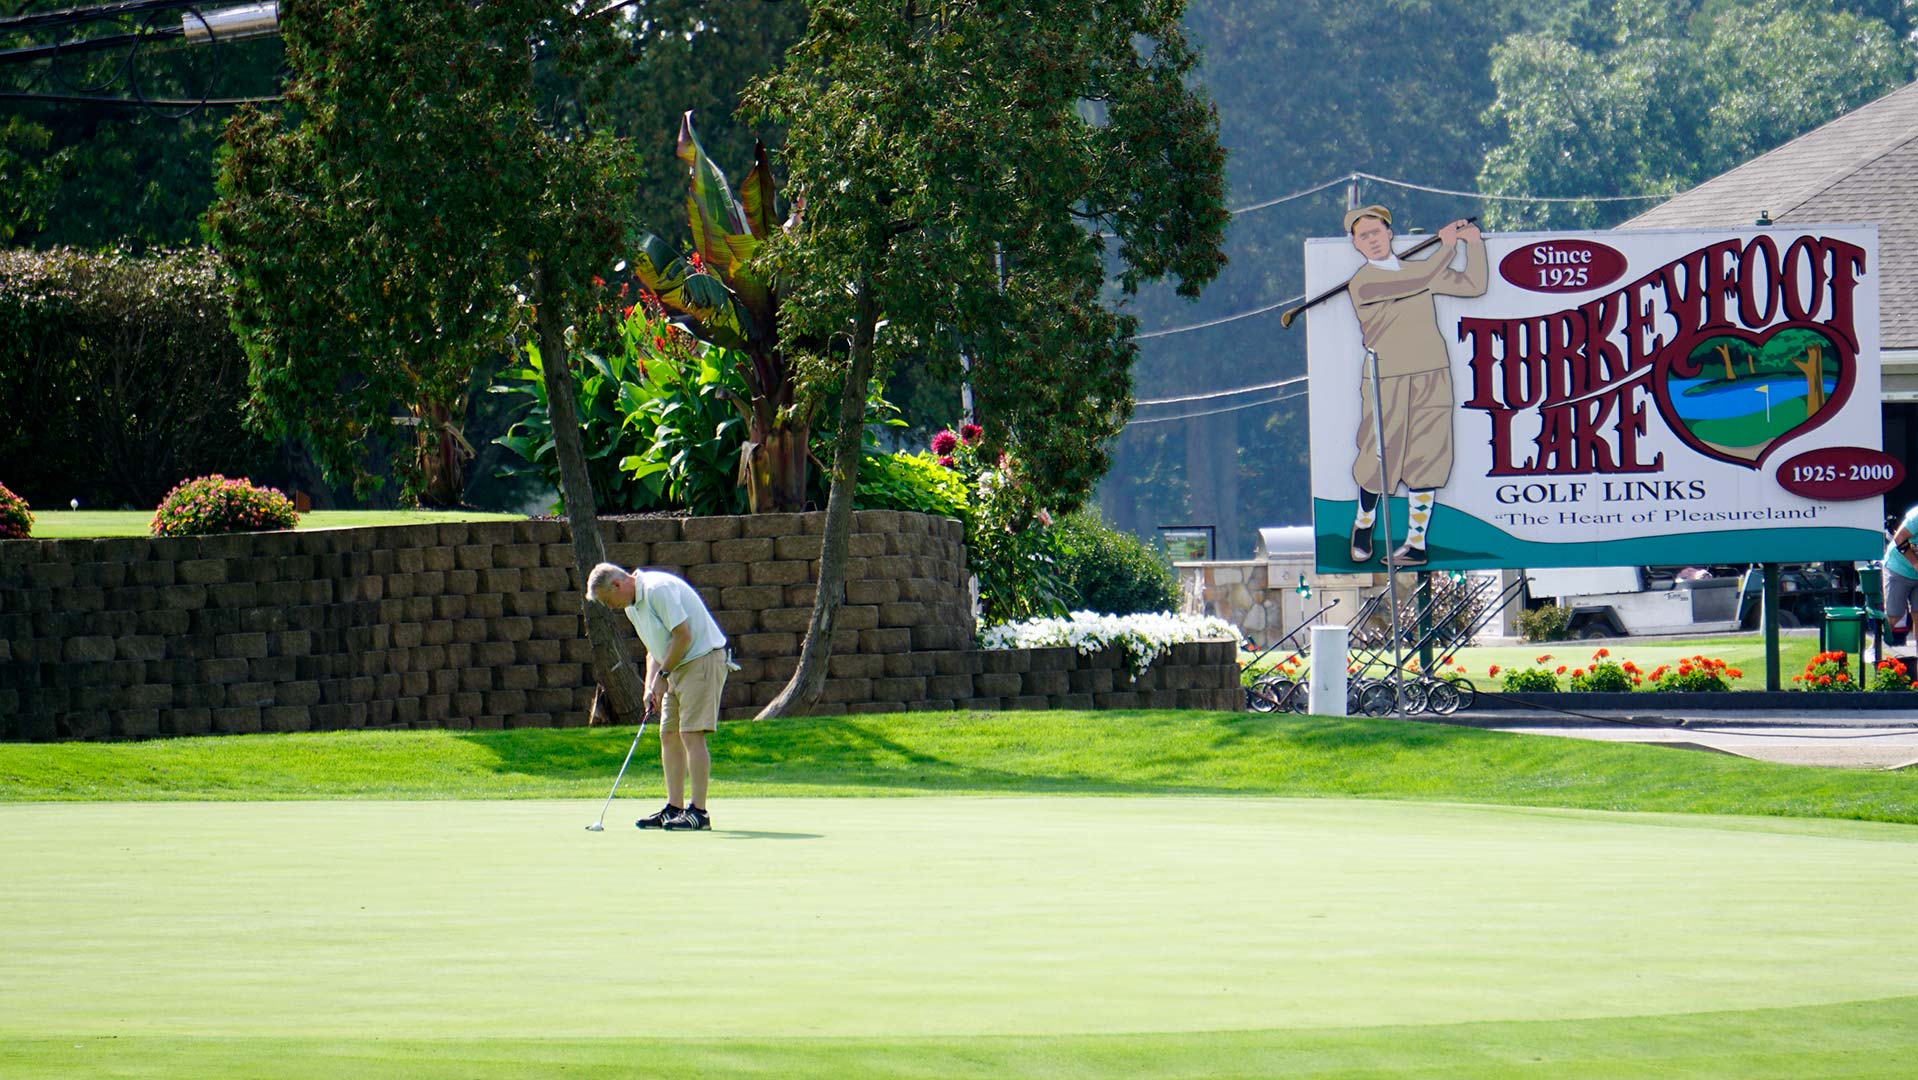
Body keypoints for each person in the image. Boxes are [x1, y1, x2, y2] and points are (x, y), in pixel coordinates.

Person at [1340, 205, 1487, 567]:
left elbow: (1474, 285)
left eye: (1377, 232)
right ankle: (1364, 523)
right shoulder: (1363, 282)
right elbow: (1417, 282)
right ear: (1356, 244)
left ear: (1390, 234)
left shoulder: (1420, 270)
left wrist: (1474, 245)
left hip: (1431, 372)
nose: (1372, 240)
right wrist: (1447, 249)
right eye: (1364, 236)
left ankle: (1416, 543)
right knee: (1377, 456)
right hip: (1385, 376)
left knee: (1428, 456)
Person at [586, 563, 733, 831]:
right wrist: (650, 686)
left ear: (617, 585)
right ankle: (674, 808)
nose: (610, 608)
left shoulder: (657, 589)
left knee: (691, 733)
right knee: (668, 734)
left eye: (608, 600)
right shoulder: (632, 607)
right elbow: (654, 648)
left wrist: (663, 676)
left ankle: (699, 813)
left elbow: (683, 635)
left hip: (702, 658)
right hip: (675, 665)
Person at [1883, 503, 1918, 659]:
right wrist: (1916, 563)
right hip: (1898, 568)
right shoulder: (1916, 517)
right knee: (1895, 615)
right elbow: (1899, 539)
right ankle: (1877, 648)